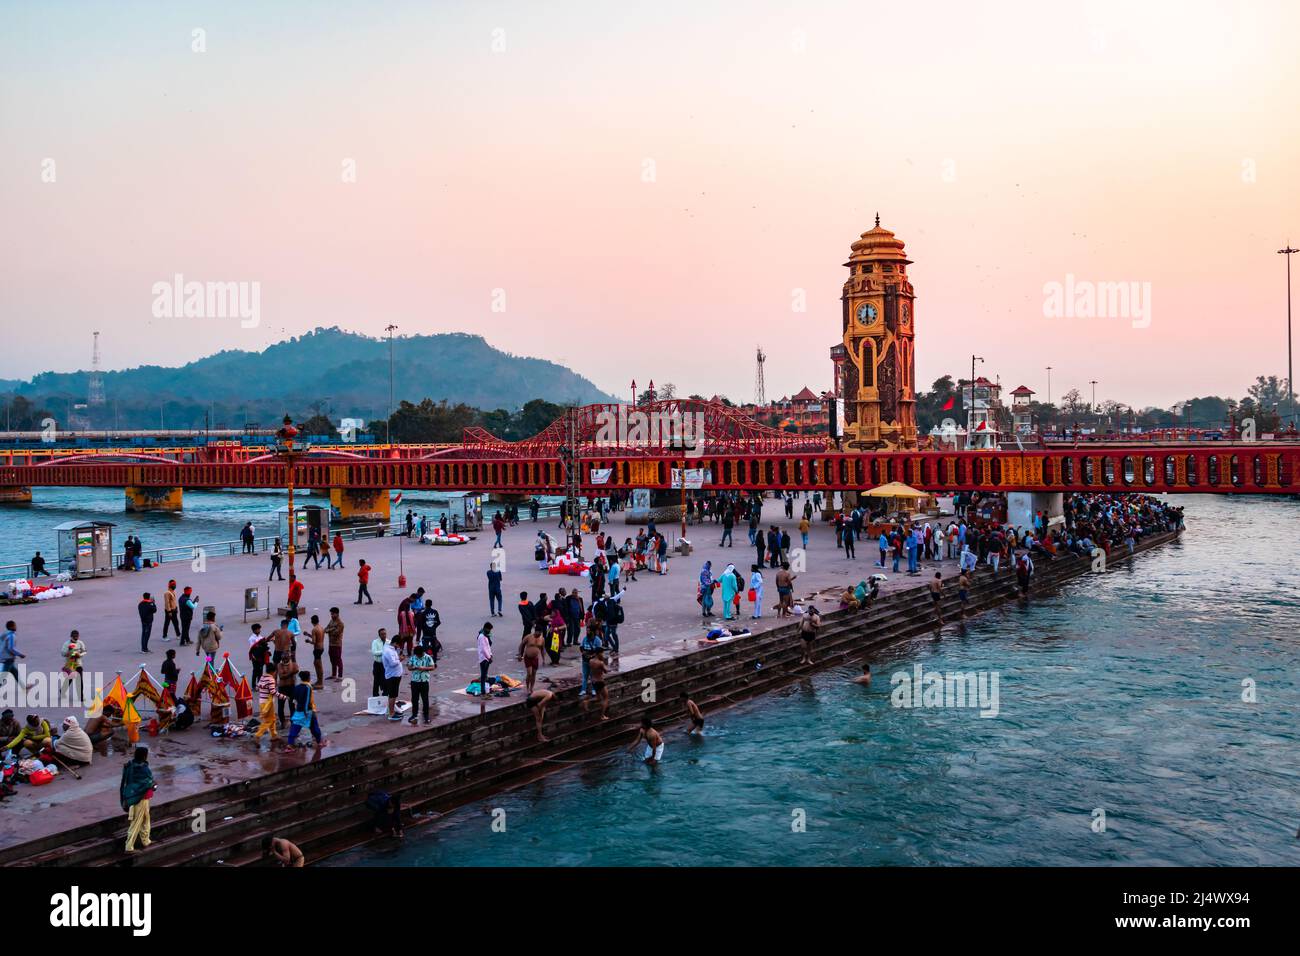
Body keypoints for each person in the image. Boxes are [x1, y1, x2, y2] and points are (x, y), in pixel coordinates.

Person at [120, 746, 155, 852]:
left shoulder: (130, 765)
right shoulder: (143, 769)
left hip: (133, 796)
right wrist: (152, 784)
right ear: (144, 756)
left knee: (145, 819)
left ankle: (146, 840)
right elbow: (147, 782)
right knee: (136, 822)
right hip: (141, 799)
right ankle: (129, 846)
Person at [287, 671, 324, 748]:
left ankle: (290, 744)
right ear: (308, 678)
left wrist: (297, 708)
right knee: (314, 727)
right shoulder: (308, 687)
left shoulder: (297, 687)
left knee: (295, 727)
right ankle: (319, 741)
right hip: (308, 711)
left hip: (299, 710)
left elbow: (294, 700)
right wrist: (306, 711)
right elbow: (307, 700)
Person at [407, 642, 435, 725]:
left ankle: (426, 716)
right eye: (417, 655)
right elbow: (409, 667)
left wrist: (424, 668)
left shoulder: (428, 657)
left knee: (425, 699)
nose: (418, 656)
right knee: (414, 699)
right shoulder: (413, 657)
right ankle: (414, 715)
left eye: (419, 655)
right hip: (414, 681)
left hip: (424, 681)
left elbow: (433, 667)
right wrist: (414, 668)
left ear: (422, 653)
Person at [60, 629, 87, 704]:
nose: (76, 638)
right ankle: (62, 690)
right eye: (74, 637)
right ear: (71, 637)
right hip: (70, 664)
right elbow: (62, 653)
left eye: (77, 637)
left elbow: (84, 651)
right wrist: (69, 652)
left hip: (78, 664)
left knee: (80, 679)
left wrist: (79, 655)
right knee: (70, 679)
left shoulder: (80, 643)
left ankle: (81, 696)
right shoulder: (66, 644)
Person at [382, 636, 404, 721]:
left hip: (396, 675)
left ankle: (391, 710)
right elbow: (392, 663)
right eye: (398, 645)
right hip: (392, 676)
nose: (399, 646)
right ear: (395, 643)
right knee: (392, 695)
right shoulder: (388, 651)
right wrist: (400, 659)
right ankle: (391, 714)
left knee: (394, 695)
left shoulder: (391, 649)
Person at [587, 650, 610, 720]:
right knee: (606, 698)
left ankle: (586, 701)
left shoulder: (590, 661)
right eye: (602, 653)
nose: (603, 654)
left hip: (593, 681)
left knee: (598, 698)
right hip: (600, 681)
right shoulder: (600, 663)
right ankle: (602, 715)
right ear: (598, 653)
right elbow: (606, 671)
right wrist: (604, 662)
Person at [1, 620, 25, 686]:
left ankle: (24, 687)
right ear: (11, 627)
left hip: (5, 657)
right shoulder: (11, 636)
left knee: (15, 672)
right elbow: (11, 648)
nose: (16, 627)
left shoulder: (4, 634)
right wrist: (20, 655)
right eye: (15, 625)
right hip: (8, 658)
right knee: (3, 677)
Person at [325, 607, 345, 681]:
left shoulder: (340, 624)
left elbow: (336, 633)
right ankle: (333, 675)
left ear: (337, 614)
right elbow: (325, 629)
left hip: (337, 644)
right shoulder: (331, 621)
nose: (331, 615)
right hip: (331, 644)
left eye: (333, 614)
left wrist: (330, 630)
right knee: (332, 659)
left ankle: (340, 676)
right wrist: (332, 629)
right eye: (331, 614)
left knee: (338, 660)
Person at [306, 614, 326, 688]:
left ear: (312, 621)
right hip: (321, 648)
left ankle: (320, 683)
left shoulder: (314, 629)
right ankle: (319, 681)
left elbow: (314, 642)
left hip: (317, 649)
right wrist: (308, 634)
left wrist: (308, 641)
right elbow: (318, 638)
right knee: (317, 664)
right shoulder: (321, 628)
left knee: (318, 666)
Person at [476, 622, 494, 697]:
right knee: (483, 676)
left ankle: (483, 691)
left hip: (486, 658)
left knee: (485, 675)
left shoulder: (485, 636)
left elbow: (488, 647)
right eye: (489, 629)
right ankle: (483, 692)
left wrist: (491, 655)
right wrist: (489, 657)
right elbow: (484, 649)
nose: (490, 631)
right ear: (486, 628)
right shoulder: (481, 636)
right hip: (484, 659)